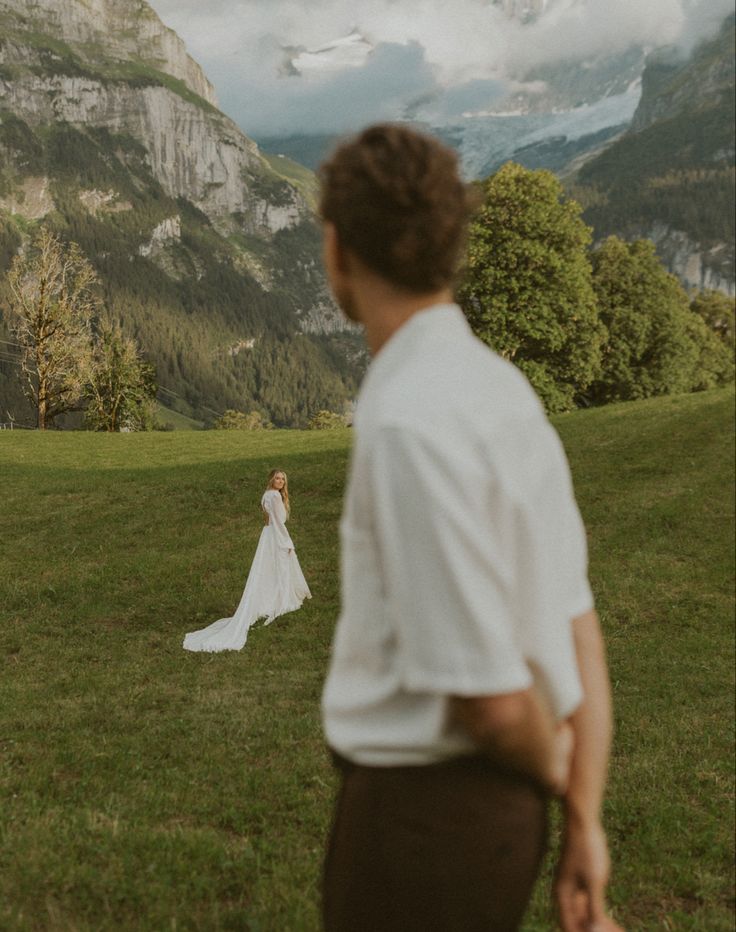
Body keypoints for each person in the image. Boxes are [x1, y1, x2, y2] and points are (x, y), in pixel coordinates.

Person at [319, 124, 620, 932]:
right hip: (488, 826)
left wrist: (556, 767)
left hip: (425, 826)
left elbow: (486, 702)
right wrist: (585, 820)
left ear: (336, 247)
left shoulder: (408, 421)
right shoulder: (500, 390)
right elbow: (575, 618)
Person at [183, 469, 310, 653]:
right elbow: (278, 522)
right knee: (280, 567)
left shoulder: (266, 495)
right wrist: (287, 542)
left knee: (268, 569)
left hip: (267, 535)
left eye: (283, 479)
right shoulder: (274, 496)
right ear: (272, 480)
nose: (280, 481)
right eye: (277, 478)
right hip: (276, 536)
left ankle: (274, 597)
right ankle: (281, 599)